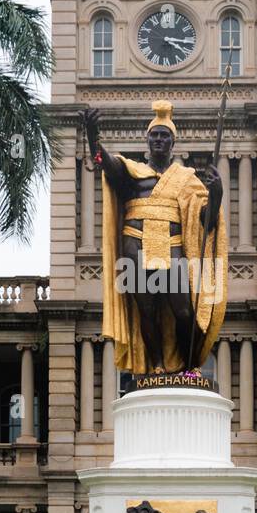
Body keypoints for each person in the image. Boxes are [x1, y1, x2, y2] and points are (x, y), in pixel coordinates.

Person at [85, 100, 227, 375]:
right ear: (147, 141)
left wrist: (217, 193)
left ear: (173, 142)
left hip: (171, 246)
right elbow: (104, 162)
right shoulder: (132, 172)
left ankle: (187, 367)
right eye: (154, 135)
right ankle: (157, 366)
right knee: (146, 310)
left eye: (164, 136)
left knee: (183, 311)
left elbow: (206, 222)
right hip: (134, 243)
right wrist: (93, 137)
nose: (159, 140)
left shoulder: (186, 178)